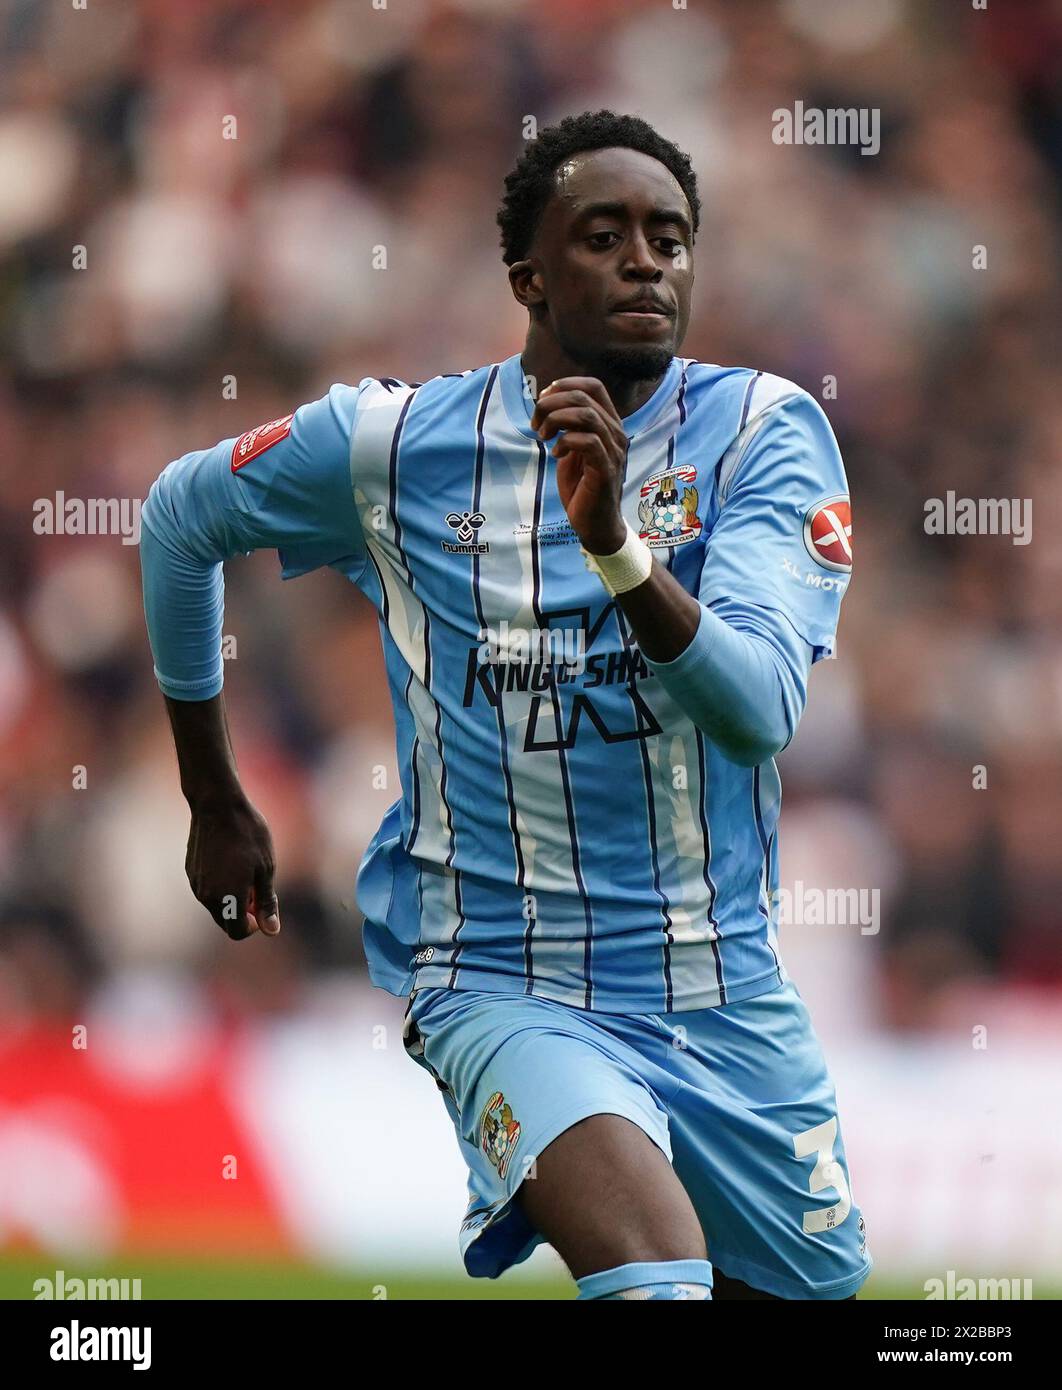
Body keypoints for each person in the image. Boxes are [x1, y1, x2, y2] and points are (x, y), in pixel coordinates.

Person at [139, 109, 868, 1301]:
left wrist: (618, 550)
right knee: (654, 1280)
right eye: (606, 235)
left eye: (672, 239)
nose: (649, 262)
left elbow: (757, 711)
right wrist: (212, 796)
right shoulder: (390, 445)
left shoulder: (764, 436)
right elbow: (179, 519)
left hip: (723, 987)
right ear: (527, 275)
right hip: (499, 974)